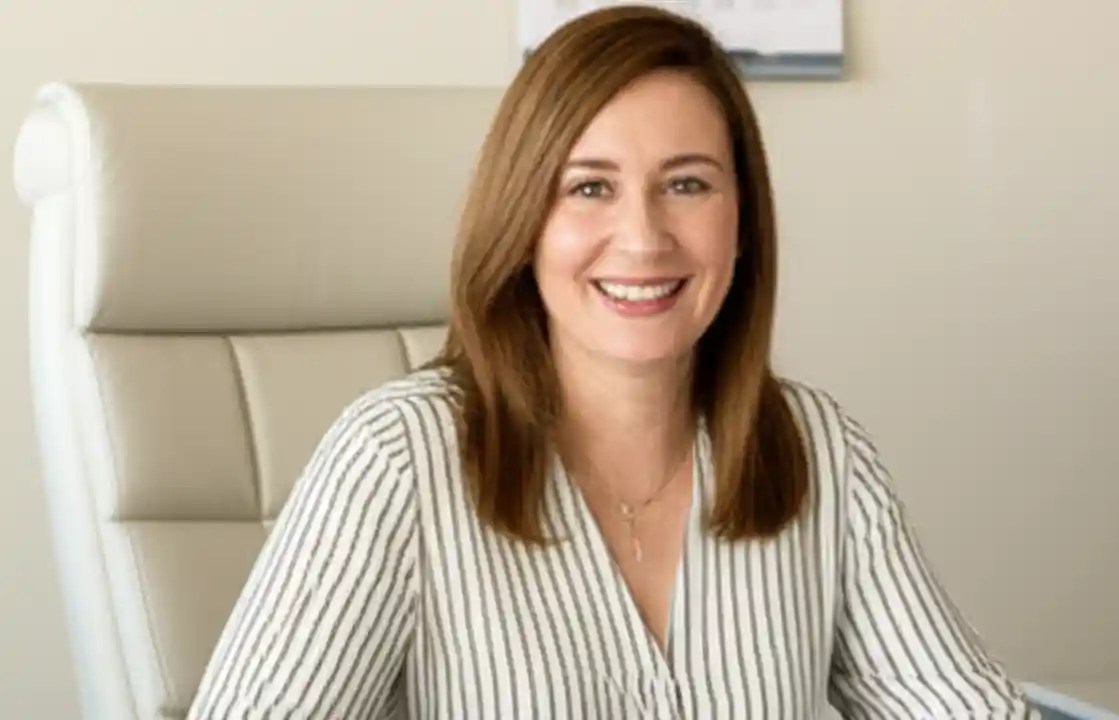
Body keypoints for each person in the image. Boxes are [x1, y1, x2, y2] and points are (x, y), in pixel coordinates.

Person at [189, 6, 1037, 719]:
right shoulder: (397, 460)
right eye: (589, 186)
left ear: (743, 217)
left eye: (688, 184)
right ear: (524, 220)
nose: (643, 238)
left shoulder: (815, 451)